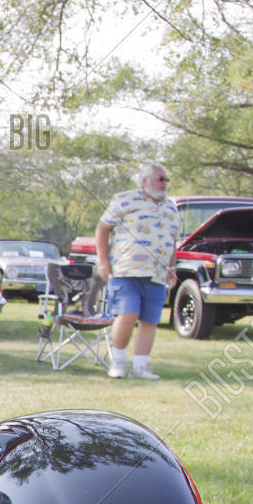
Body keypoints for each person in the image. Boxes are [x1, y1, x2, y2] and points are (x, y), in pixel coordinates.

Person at [95, 162, 180, 380]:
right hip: (126, 271)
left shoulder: (171, 207)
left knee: (150, 320)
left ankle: (140, 367)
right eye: (161, 178)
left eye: (166, 179)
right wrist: (103, 260)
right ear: (145, 180)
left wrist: (172, 267)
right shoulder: (124, 199)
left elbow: (172, 240)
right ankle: (118, 363)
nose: (165, 183)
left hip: (157, 274)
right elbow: (103, 228)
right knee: (128, 314)